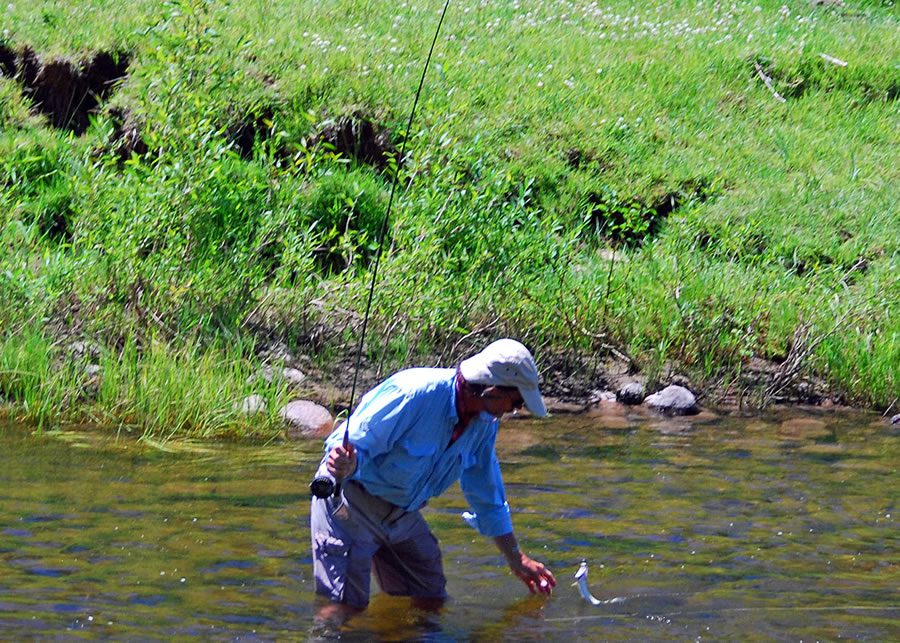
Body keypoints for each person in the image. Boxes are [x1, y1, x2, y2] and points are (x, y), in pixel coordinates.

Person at [309, 338, 557, 612]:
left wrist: (516, 558)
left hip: (401, 513)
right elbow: (347, 448)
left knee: (430, 598)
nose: (516, 410)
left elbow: (487, 494)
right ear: (493, 390)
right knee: (345, 610)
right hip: (350, 503)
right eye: (517, 401)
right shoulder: (413, 393)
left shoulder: (485, 424)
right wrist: (347, 464)